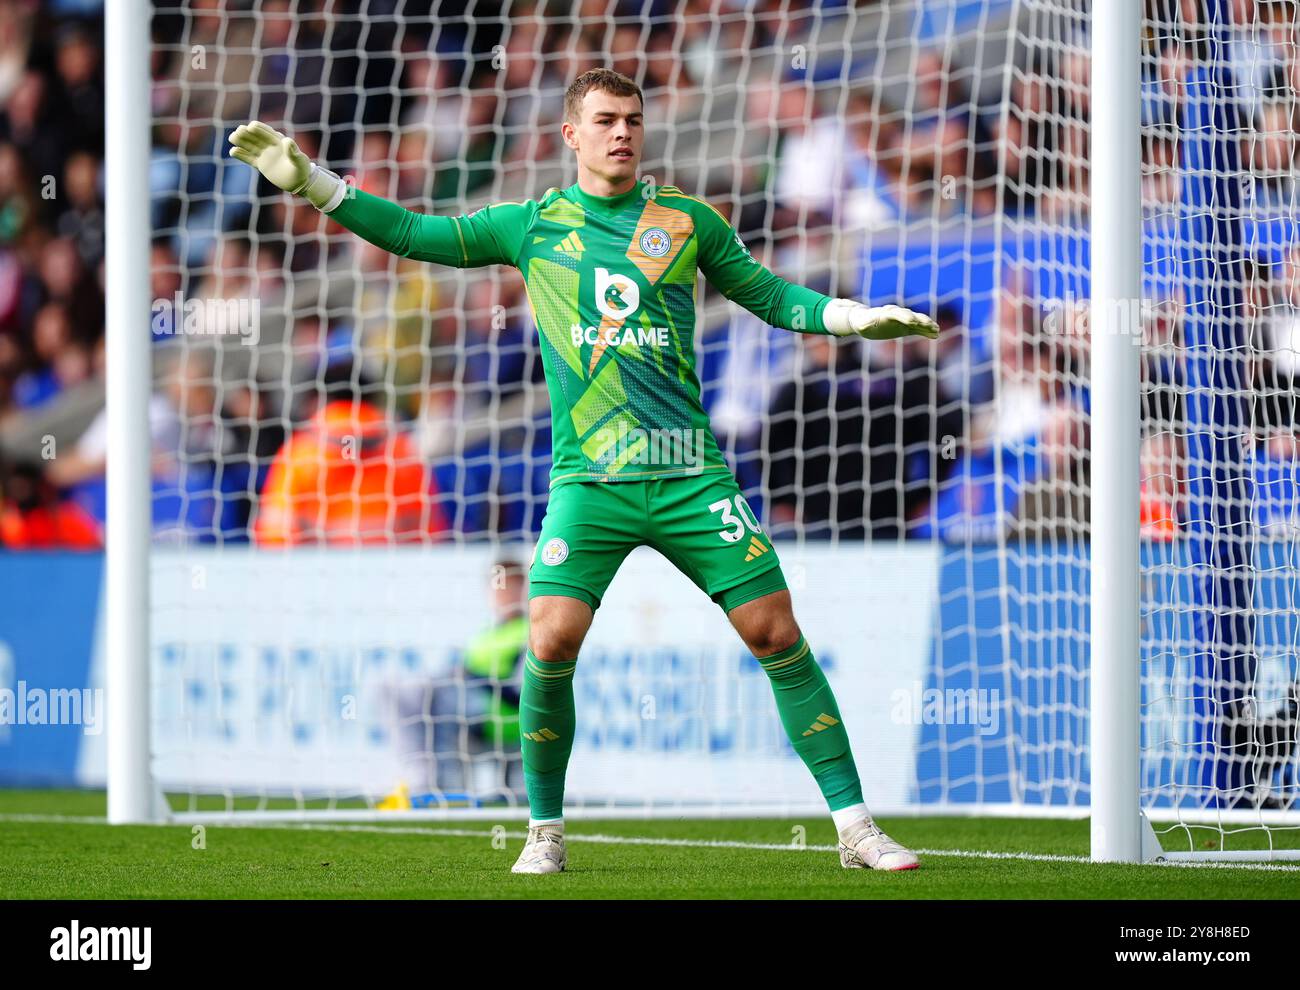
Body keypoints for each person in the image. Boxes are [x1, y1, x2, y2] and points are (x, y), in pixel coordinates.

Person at [229, 68, 938, 875]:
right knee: (550, 636)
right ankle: (544, 830)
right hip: (588, 482)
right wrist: (317, 185)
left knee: (775, 630)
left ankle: (854, 827)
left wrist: (848, 318)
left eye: (633, 119)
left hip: (689, 476)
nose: (622, 133)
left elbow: (770, 295)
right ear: (571, 134)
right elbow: (414, 233)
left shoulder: (687, 221)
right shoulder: (532, 226)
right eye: (604, 120)